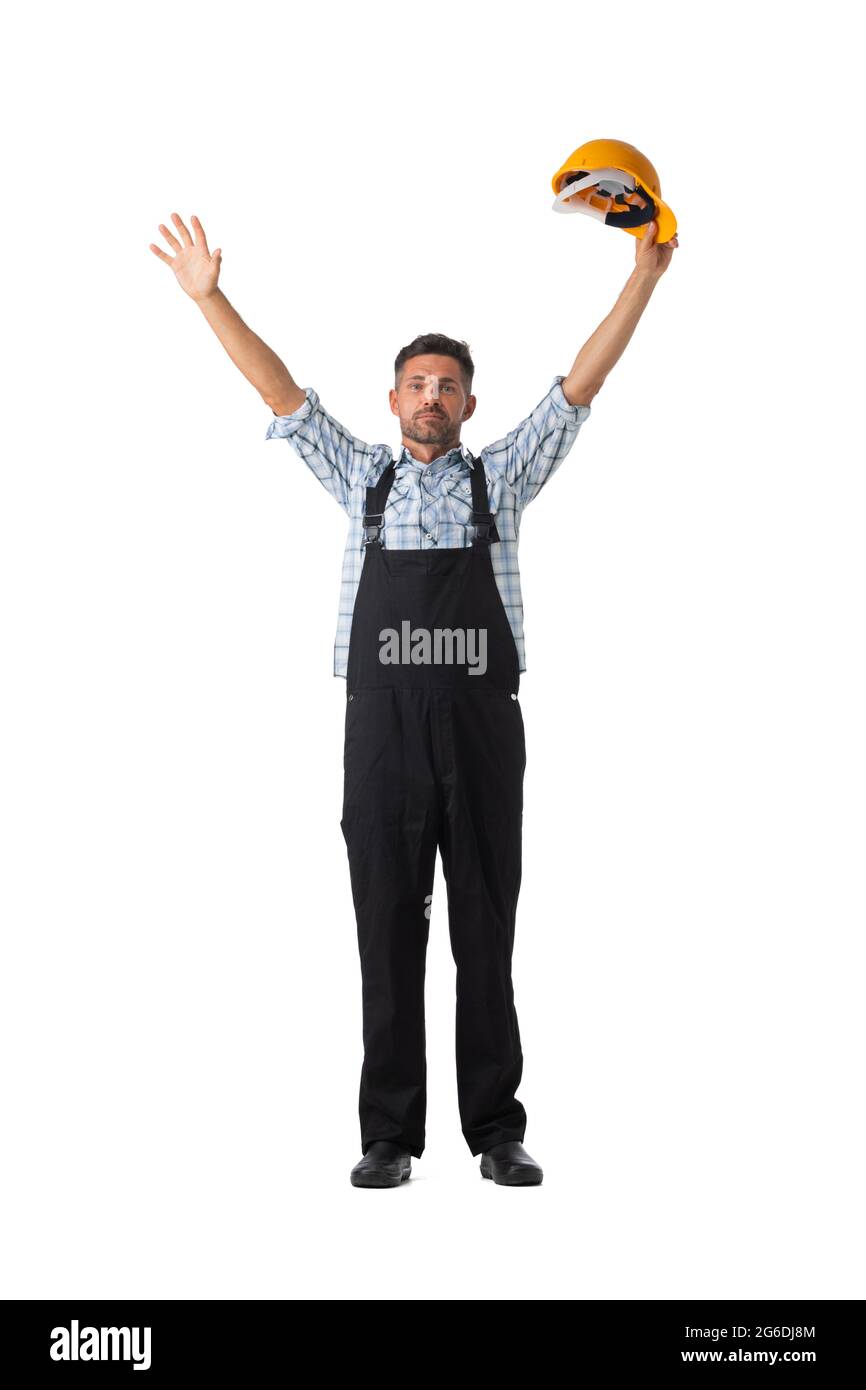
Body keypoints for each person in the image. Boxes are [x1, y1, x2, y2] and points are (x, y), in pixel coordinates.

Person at [149, 211, 678, 1187]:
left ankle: (495, 1129)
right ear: (391, 398)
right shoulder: (361, 478)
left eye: (447, 386)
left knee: (485, 922)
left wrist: (642, 274)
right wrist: (207, 294)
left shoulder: (501, 481)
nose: (430, 397)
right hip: (382, 724)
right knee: (386, 921)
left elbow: (581, 382)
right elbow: (278, 390)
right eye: (416, 383)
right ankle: (387, 1134)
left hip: (479, 721)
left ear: (469, 404)